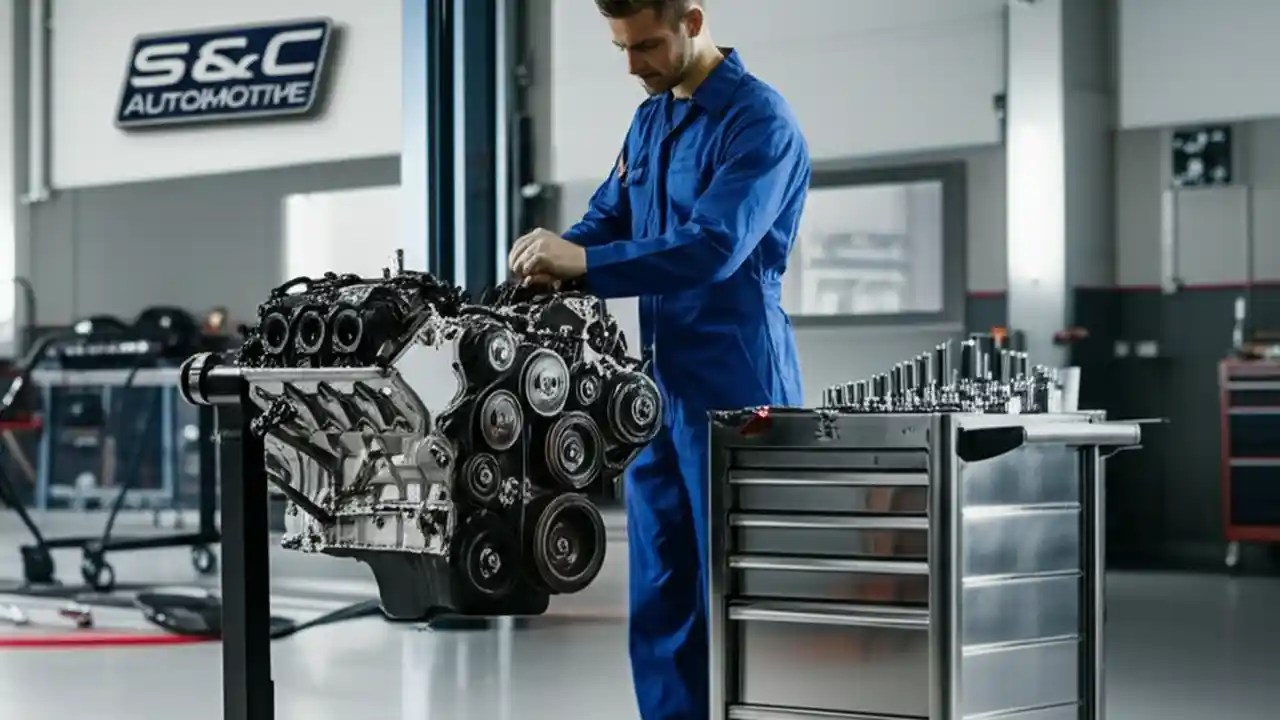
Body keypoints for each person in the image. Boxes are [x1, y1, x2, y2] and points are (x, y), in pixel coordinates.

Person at [507, 1, 809, 718]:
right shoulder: (651, 120)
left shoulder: (759, 121)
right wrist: (551, 255)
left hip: (741, 390)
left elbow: (714, 245)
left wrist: (586, 261)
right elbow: (608, 220)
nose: (633, 65)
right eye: (621, 49)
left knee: (738, 591)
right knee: (663, 589)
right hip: (655, 393)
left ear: (693, 20)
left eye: (646, 46)